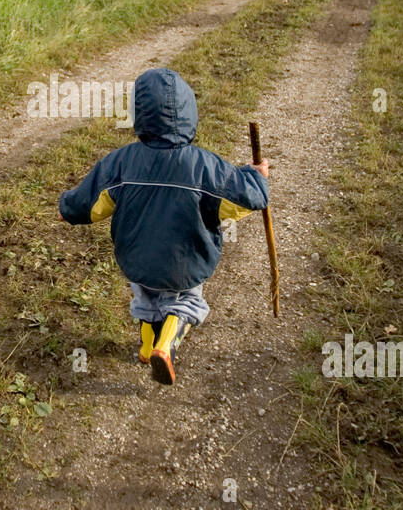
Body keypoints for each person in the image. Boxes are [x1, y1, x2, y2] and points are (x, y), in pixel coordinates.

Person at [58, 68, 270, 386]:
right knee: (186, 302)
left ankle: (147, 346)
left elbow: (90, 200)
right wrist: (257, 176)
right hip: (184, 263)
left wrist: (68, 210)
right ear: (189, 113)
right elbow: (245, 197)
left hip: (137, 260)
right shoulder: (205, 166)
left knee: (146, 301)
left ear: (140, 114)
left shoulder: (121, 162)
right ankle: (166, 344)